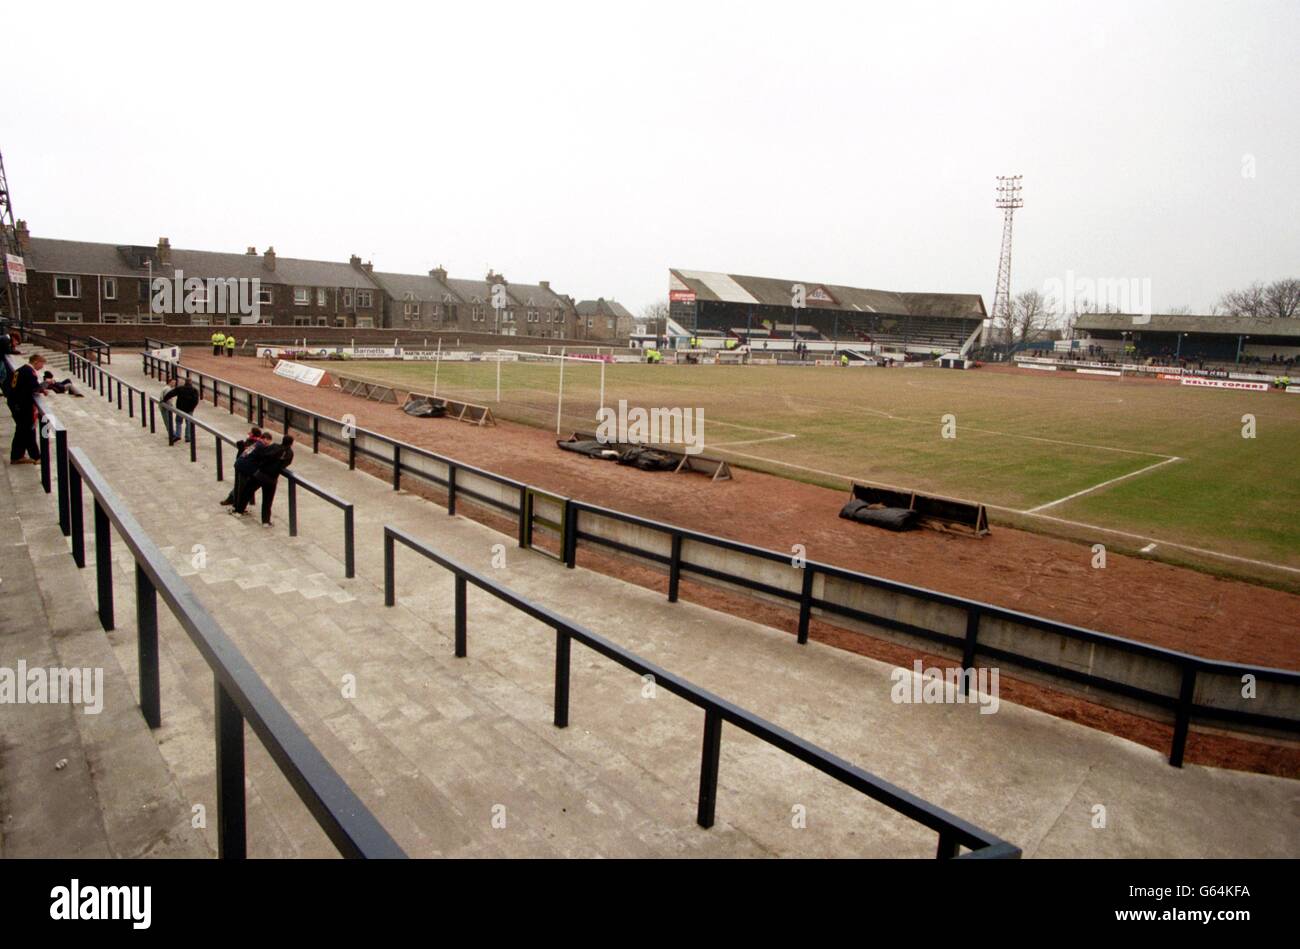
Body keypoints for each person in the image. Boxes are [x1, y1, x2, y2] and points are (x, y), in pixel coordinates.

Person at [233, 436, 294, 527]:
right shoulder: (289, 453)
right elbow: (285, 464)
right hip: (271, 479)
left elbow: (263, 454)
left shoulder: (274, 446)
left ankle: (239, 511)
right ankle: (265, 521)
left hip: (260, 474)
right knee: (267, 500)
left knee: (247, 491)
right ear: (291, 443)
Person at [6, 354, 44, 465]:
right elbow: (34, 387)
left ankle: (17, 456)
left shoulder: (21, 369)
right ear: (36, 362)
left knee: (21, 431)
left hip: (14, 403)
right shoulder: (29, 372)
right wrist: (44, 387)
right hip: (22, 405)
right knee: (28, 430)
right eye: (42, 364)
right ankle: (36, 457)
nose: (42, 367)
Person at [221, 427, 267, 506]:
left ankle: (233, 500)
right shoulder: (254, 442)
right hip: (244, 466)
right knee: (241, 486)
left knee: (241, 486)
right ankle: (234, 501)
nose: (248, 433)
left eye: (250, 432)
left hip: (245, 466)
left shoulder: (254, 443)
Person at [160, 375, 200, 446]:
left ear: (185, 382)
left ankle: (178, 435)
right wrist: (192, 408)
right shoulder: (194, 390)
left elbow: (171, 394)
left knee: (178, 422)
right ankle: (188, 437)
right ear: (191, 383)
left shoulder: (180, 388)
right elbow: (196, 401)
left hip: (180, 409)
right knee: (188, 423)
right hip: (189, 410)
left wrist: (164, 400)